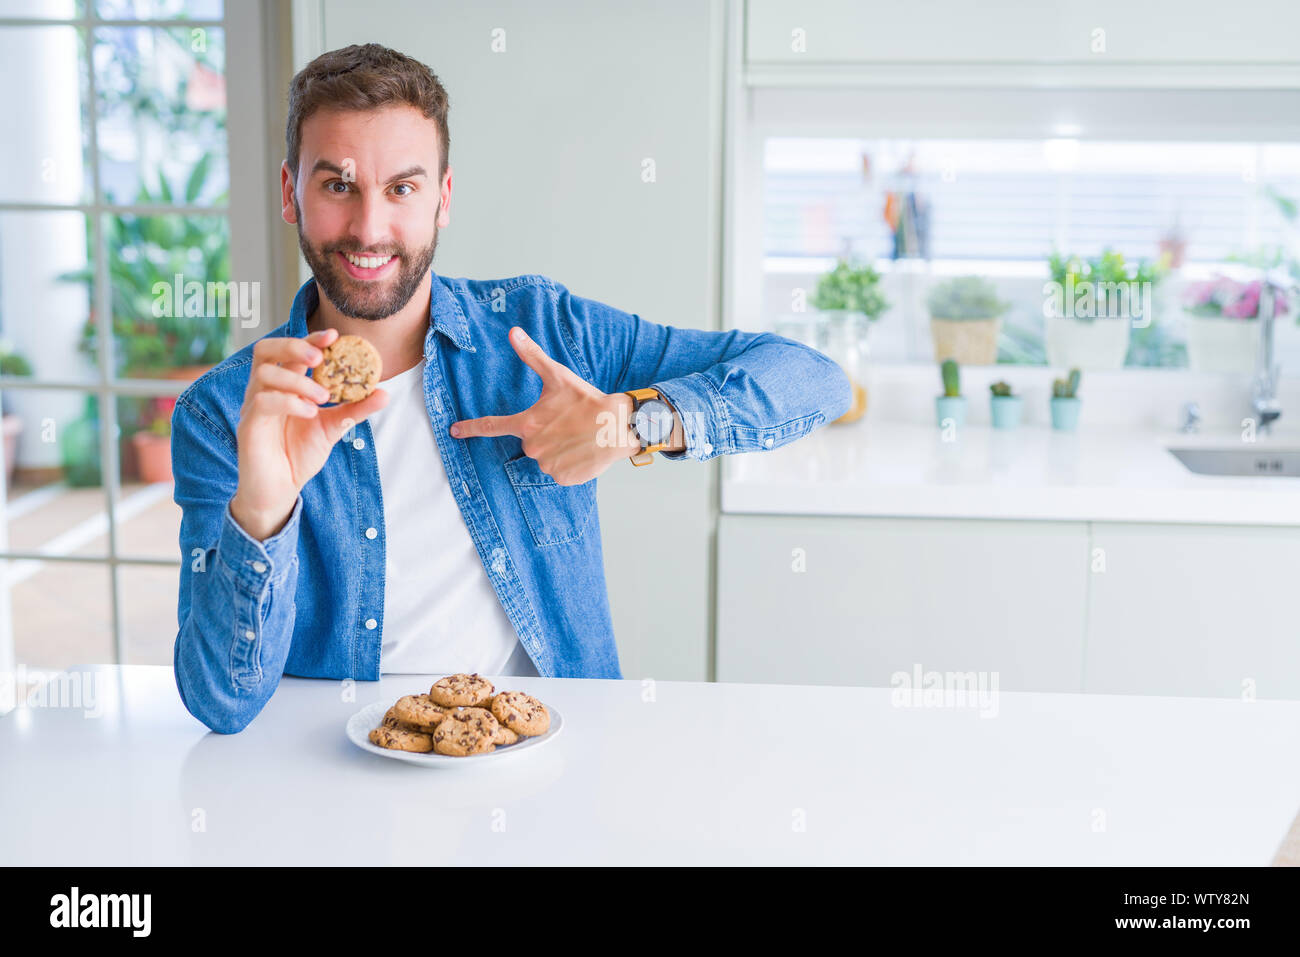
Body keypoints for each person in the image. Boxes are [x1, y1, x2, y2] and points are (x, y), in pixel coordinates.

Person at [171, 43, 851, 733]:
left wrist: (630, 421)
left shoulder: (546, 331)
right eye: (338, 186)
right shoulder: (223, 414)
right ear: (291, 193)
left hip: (555, 775)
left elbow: (815, 379)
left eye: (402, 187)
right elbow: (221, 702)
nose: (370, 228)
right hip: (336, 787)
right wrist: (263, 509)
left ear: (444, 198)